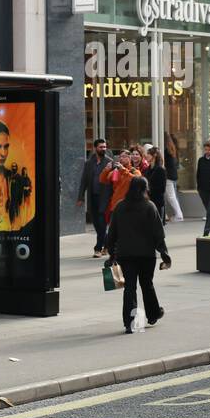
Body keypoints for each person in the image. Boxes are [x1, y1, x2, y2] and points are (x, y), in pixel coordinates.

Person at [105, 177, 171, 334]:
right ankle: (153, 313)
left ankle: (130, 321)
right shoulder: (149, 207)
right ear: (144, 189)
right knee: (147, 284)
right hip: (146, 255)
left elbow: (112, 233)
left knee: (129, 287)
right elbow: (158, 234)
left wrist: (111, 254)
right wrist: (164, 254)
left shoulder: (120, 206)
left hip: (125, 254)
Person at [76, 138, 113, 257]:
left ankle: (98, 248)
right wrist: (80, 197)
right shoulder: (89, 163)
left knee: (102, 223)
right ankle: (107, 245)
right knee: (96, 224)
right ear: (95, 148)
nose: (103, 149)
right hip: (92, 197)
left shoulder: (109, 162)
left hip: (105, 198)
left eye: (105, 147)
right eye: (101, 147)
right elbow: (84, 181)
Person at [102, 149, 139, 223]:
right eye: (120, 157)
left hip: (129, 206)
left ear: (129, 158)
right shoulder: (116, 171)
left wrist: (124, 170)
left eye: (124, 156)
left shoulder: (134, 171)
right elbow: (103, 180)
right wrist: (106, 170)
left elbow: (137, 180)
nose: (121, 158)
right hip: (116, 205)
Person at [163, 133, 184, 222]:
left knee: (171, 196)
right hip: (172, 175)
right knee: (171, 196)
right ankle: (177, 214)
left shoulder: (166, 151)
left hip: (168, 176)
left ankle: (179, 215)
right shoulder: (171, 149)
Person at [145, 146, 167, 222]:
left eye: (148, 154)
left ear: (154, 156)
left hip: (157, 202)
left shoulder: (160, 170)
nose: (146, 156)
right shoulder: (148, 169)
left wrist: (149, 191)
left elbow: (162, 189)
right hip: (148, 202)